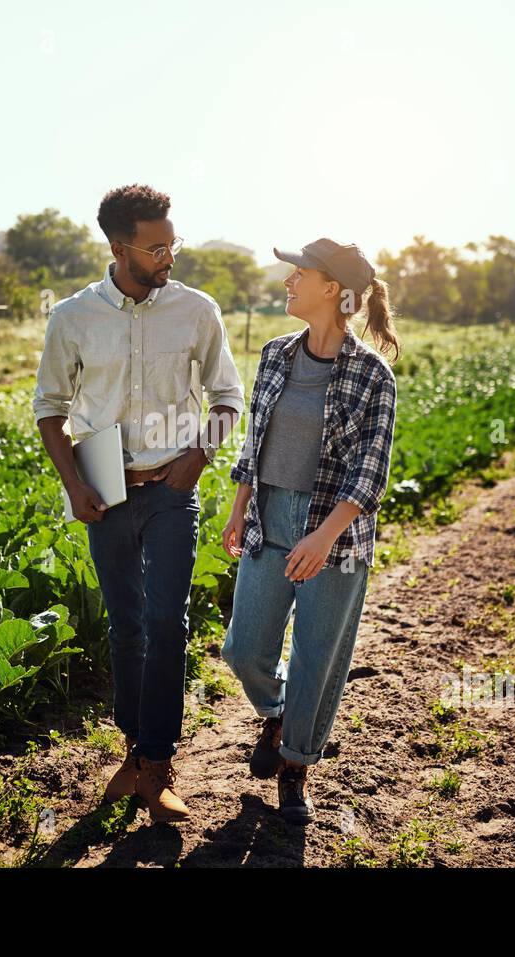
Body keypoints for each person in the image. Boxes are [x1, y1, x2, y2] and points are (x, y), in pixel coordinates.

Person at [32, 184, 244, 823]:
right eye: (157, 248)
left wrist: (198, 458)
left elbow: (228, 397)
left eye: (172, 243)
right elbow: (49, 410)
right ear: (119, 248)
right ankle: (132, 753)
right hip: (108, 495)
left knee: (167, 625)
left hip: (172, 494)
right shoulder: (73, 317)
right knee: (124, 628)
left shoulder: (196, 311)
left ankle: (158, 762)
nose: (169, 256)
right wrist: (77, 487)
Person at [220, 238, 399, 824]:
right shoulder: (275, 355)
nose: (287, 283)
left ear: (332, 290)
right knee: (243, 649)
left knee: (317, 659)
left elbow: (370, 470)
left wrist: (324, 535)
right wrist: (239, 503)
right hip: (269, 518)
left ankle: (296, 765)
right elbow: (254, 440)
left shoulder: (373, 375)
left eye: (299, 274)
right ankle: (276, 713)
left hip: (336, 534)